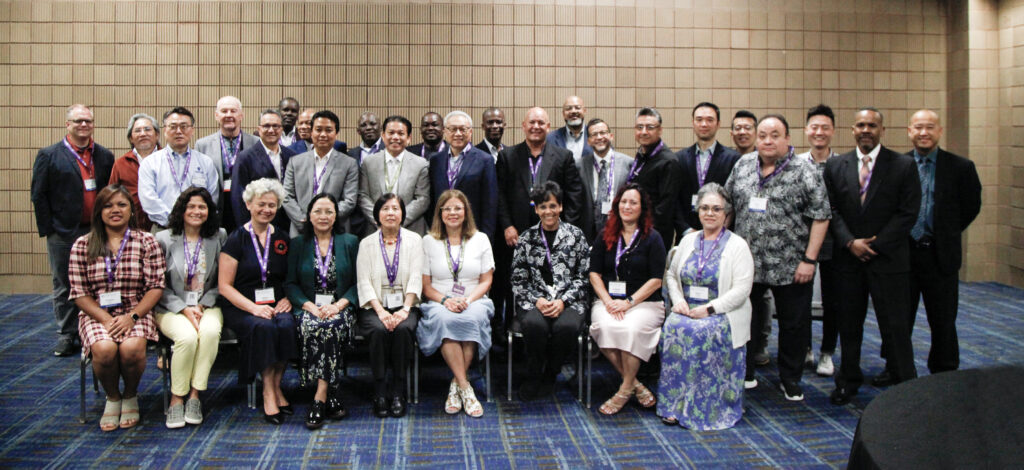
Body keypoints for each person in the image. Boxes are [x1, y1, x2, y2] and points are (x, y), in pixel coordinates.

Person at [725, 114, 830, 401]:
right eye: (762, 135)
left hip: (791, 265)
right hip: (747, 265)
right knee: (744, 320)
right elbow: (729, 206)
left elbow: (821, 217)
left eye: (774, 135)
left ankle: (790, 378)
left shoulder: (804, 171)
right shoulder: (744, 165)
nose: (767, 141)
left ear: (787, 139)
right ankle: (745, 372)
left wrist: (809, 260)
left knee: (793, 324)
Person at [824, 108, 920, 405]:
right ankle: (848, 381)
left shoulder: (902, 165)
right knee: (849, 325)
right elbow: (832, 210)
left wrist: (876, 245)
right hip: (848, 260)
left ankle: (906, 384)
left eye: (872, 125)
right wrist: (850, 242)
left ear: (882, 130)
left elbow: (908, 213)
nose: (866, 130)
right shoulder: (836, 165)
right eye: (861, 125)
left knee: (895, 326)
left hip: (888, 260)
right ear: (852, 129)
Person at [68, 185, 166, 431]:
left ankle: (130, 394)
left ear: (131, 211)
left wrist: (132, 317)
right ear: (99, 211)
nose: (115, 210)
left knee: (132, 347)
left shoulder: (147, 241)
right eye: (108, 205)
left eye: (122, 205)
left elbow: (156, 286)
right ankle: (113, 397)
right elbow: (79, 293)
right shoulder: (83, 244)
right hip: (96, 313)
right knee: (104, 349)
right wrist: (105, 319)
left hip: (136, 309)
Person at [657, 183, 754, 431]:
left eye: (716, 209)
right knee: (673, 327)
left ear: (726, 214)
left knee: (701, 333)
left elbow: (742, 290)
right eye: (705, 208)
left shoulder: (738, 245)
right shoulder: (688, 240)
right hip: (686, 309)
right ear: (698, 211)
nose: (710, 213)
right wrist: (678, 300)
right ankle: (674, 405)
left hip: (722, 313)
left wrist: (709, 309)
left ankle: (705, 409)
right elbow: (671, 276)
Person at [31, 104, 116, 357]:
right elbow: (39, 195)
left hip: (96, 230)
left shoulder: (104, 155)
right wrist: (50, 230)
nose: (83, 125)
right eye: (78, 121)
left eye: (88, 121)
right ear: (68, 124)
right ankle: (68, 334)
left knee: (100, 278)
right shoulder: (49, 155)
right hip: (63, 232)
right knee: (64, 283)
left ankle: (97, 326)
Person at [903, 109, 982, 374]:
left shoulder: (961, 167)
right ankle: (897, 367)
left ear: (939, 131)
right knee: (900, 318)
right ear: (909, 131)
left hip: (940, 254)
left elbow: (972, 205)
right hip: (905, 254)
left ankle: (944, 369)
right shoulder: (897, 165)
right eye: (918, 127)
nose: (923, 132)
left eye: (929, 127)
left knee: (943, 319)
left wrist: (946, 232)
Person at [217, 178, 296, 424]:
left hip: (276, 302)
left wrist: (287, 298)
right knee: (263, 327)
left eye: (272, 205)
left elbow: (290, 277)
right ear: (249, 204)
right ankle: (268, 392)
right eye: (261, 204)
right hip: (243, 304)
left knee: (286, 325)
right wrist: (253, 308)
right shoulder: (236, 238)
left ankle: (274, 384)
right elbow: (224, 287)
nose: (267, 210)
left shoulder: (282, 238)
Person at [588, 183, 667, 415]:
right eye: (623, 202)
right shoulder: (605, 234)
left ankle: (623, 390)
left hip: (645, 303)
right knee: (603, 326)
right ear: (616, 205)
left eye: (633, 202)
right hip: (609, 301)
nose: (627, 206)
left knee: (630, 329)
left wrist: (629, 302)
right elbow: (594, 273)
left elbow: (656, 279)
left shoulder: (653, 238)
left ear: (642, 208)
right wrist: (607, 300)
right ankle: (634, 384)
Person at [510, 181, 591, 400]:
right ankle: (534, 374)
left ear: (561, 207)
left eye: (553, 206)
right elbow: (518, 278)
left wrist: (563, 301)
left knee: (567, 326)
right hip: (535, 300)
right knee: (534, 325)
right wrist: (537, 300)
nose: (548, 211)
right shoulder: (527, 238)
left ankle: (551, 373)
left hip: (570, 300)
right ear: (536, 209)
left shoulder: (576, 236)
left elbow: (583, 277)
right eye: (543, 207)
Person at [418, 190, 495, 418]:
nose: (453, 213)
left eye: (458, 208)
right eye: (448, 208)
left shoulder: (480, 239)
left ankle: (456, 387)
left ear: (466, 212)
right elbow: (426, 286)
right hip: (439, 301)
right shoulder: (428, 241)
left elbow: (487, 280)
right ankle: (465, 387)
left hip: (475, 299)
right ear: (440, 213)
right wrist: (446, 301)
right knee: (446, 319)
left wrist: (468, 300)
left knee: (470, 318)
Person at [154, 187, 226, 429]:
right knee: (186, 337)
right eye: (191, 206)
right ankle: (176, 398)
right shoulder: (163, 239)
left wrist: (204, 304)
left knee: (208, 333)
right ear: (181, 209)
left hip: (208, 303)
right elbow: (156, 284)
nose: (197, 211)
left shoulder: (219, 236)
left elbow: (223, 281)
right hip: (171, 306)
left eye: (202, 207)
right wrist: (184, 308)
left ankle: (195, 395)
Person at [286, 193, 359, 429]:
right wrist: (308, 306)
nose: (323, 216)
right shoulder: (298, 244)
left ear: (336, 215)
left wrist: (338, 305)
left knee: (331, 326)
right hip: (309, 307)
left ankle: (319, 397)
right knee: (315, 325)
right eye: (318, 211)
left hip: (341, 306)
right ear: (309, 215)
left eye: (329, 211)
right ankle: (331, 394)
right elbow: (290, 283)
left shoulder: (350, 242)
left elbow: (360, 283)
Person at [356, 193, 422, 418]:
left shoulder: (414, 240)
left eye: (395, 208)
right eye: (385, 209)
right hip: (375, 307)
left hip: (406, 304)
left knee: (403, 329)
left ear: (403, 214)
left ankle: (398, 391)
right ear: (377, 215)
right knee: (378, 329)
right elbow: (363, 281)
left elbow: (416, 276)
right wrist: (381, 311)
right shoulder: (366, 243)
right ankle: (380, 390)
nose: (391, 213)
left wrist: (405, 309)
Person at [798, 104, 840, 376]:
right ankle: (805, 348)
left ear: (832, 131)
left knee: (833, 301)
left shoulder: (842, 164)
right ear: (806, 131)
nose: (819, 132)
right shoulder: (795, 163)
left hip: (836, 242)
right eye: (814, 127)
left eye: (825, 127)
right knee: (800, 300)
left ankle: (826, 352)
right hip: (802, 240)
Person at [138, 107, 220, 229]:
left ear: (192, 130)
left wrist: (193, 220)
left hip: (198, 229)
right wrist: (174, 221)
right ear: (165, 130)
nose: (178, 131)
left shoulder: (205, 162)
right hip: (163, 229)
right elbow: (149, 200)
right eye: (173, 126)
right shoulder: (150, 163)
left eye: (184, 126)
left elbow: (212, 197)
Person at [282, 110, 359, 237]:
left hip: (335, 231)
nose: (323, 134)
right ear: (311, 132)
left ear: (336, 133)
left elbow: (349, 200)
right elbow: (287, 196)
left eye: (328, 130)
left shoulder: (349, 164)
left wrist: (325, 219)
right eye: (318, 129)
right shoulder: (295, 162)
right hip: (301, 229)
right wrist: (304, 220)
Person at [427, 110, 497, 239]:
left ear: (470, 132)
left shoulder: (485, 160)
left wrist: (487, 238)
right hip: (441, 231)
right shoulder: (435, 160)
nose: (458, 134)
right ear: (445, 132)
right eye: (453, 129)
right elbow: (431, 200)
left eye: (462, 129)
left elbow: (490, 204)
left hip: (472, 231)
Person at [195, 96, 260, 233]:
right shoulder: (202, 145)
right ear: (216, 116)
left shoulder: (256, 143)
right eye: (224, 111)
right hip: (217, 205)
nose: (229, 115)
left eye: (233, 111)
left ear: (241, 115)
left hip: (246, 205)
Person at [357, 115, 431, 235]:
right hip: (375, 229)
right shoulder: (369, 162)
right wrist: (380, 219)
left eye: (401, 133)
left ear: (408, 138)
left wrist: (398, 220)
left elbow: (422, 199)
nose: (395, 137)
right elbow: (363, 196)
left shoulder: (420, 164)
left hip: (410, 229)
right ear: (383, 135)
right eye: (391, 133)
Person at [676, 102, 742, 233]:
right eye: (699, 120)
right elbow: (674, 201)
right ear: (693, 123)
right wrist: (686, 230)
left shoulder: (733, 159)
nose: (704, 124)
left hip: (722, 235)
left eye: (709, 120)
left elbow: (735, 202)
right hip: (687, 235)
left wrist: (721, 229)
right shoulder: (679, 158)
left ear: (718, 124)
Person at [231, 109, 297, 233]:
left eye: (276, 126)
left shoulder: (292, 156)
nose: (271, 130)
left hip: (287, 226)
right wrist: (247, 229)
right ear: (259, 129)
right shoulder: (245, 157)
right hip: (257, 226)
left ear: (281, 129)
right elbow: (238, 197)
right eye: (266, 126)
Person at [627, 107, 681, 250]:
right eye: (639, 127)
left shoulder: (668, 161)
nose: (644, 132)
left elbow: (665, 207)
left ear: (660, 130)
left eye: (650, 127)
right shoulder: (641, 156)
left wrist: (642, 229)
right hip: (637, 230)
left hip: (654, 235)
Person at [576, 118, 633, 242]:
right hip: (589, 231)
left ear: (611, 136)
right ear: (589, 141)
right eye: (594, 134)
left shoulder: (628, 163)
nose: (599, 137)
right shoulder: (579, 166)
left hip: (619, 228)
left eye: (603, 133)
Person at [110, 113, 161, 231]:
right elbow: (112, 196)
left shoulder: (168, 160)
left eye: (147, 129)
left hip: (162, 228)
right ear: (130, 138)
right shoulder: (121, 164)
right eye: (137, 130)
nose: (143, 134)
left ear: (157, 135)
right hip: (130, 228)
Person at [547, 96, 593, 162]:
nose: (573, 111)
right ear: (563, 114)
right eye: (568, 108)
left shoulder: (596, 135)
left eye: (577, 108)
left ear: (584, 111)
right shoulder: (550, 139)